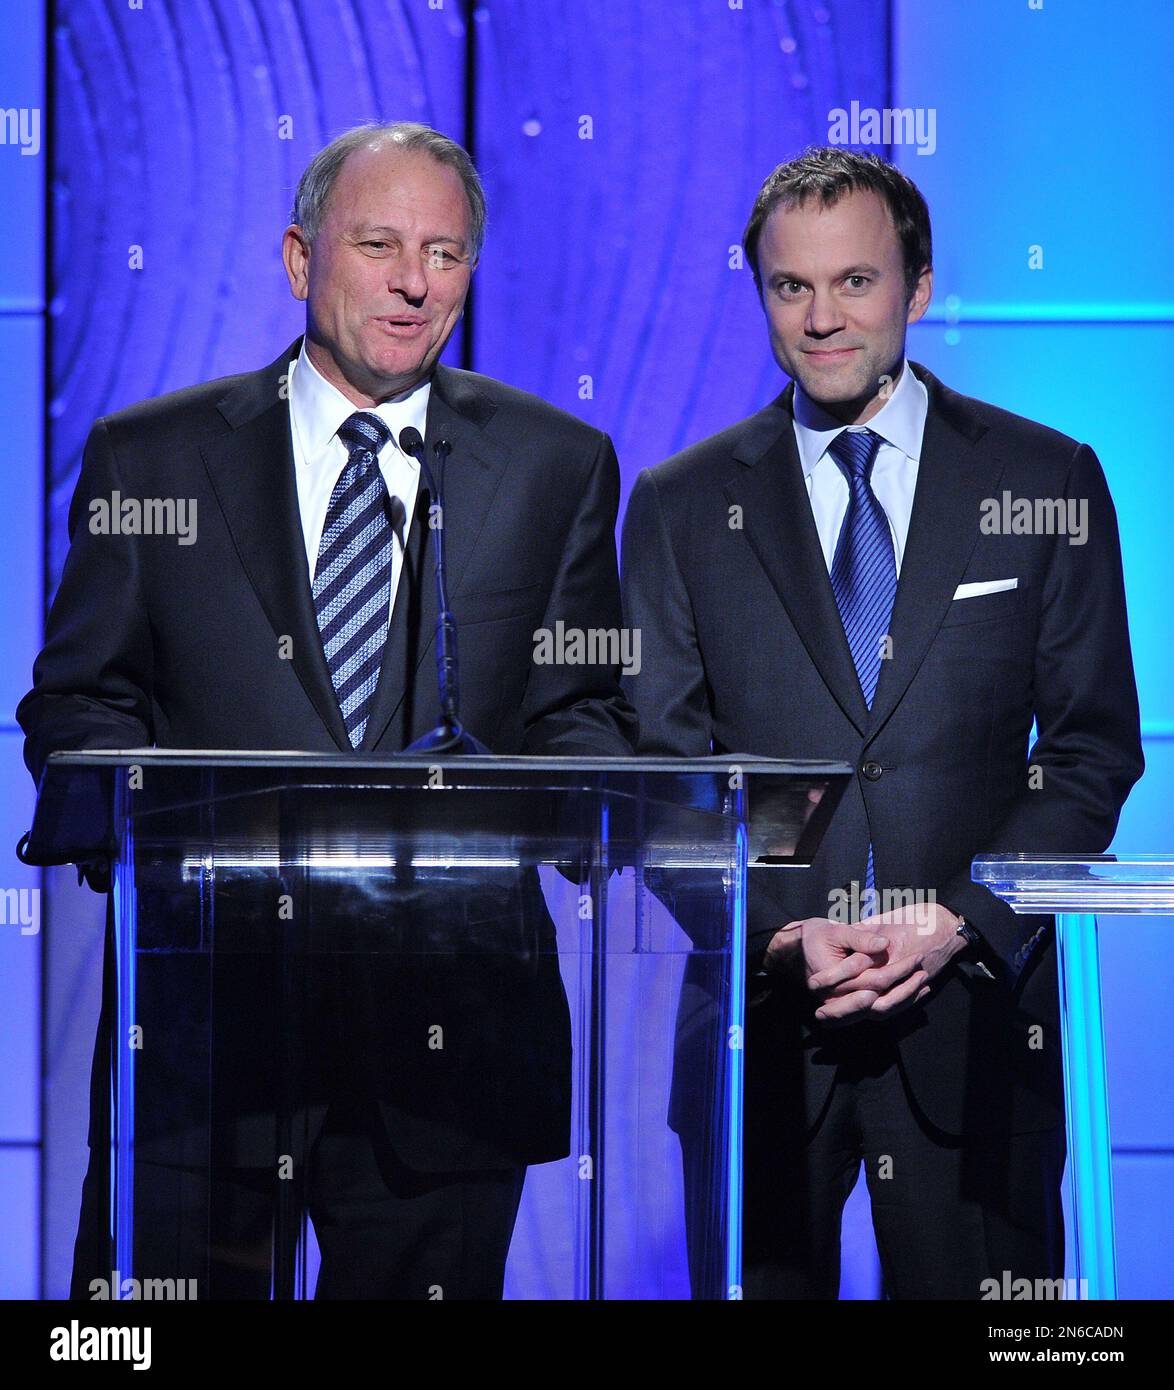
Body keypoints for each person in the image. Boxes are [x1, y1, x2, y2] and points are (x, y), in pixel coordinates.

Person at [18, 120, 636, 1300]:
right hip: (207, 1035)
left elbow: (583, 713)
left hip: (447, 1051)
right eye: (379, 244)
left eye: (445, 254)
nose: (414, 283)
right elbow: (78, 704)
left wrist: (575, 807)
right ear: (300, 259)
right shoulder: (152, 460)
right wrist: (165, 823)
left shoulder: (557, 464)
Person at [621, 146, 1143, 1299]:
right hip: (763, 1028)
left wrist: (956, 921)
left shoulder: (1044, 476)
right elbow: (665, 772)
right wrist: (786, 929)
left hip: (974, 1027)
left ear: (915, 285)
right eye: (787, 286)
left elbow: (1090, 750)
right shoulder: (678, 503)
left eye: (853, 282)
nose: (819, 318)